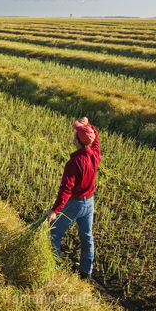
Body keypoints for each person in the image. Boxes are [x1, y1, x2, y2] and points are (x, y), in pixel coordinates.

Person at [44, 117, 100, 279]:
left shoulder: (74, 162)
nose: (73, 135)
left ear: (77, 141)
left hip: (74, 205)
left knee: (54, 233)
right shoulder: (95, 155)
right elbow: (95, 142)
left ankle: (55, 268)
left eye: (76, 134)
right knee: (87, 236)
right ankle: (86, 271)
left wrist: (55, 210)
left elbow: (66, 190)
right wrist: (88, 125)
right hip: (89, 203)